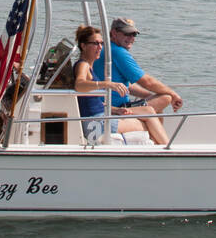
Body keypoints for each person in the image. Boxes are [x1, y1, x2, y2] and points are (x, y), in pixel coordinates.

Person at [91, 17, 180, 145]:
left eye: (134, 34)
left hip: (109, 105)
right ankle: (161, 144)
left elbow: (127, 85)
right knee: (165, 98)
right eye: (127, 34)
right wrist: (173, 94)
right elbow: (146, 81)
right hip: (116, 109)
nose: (131, 38)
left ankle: (155, 142)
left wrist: (148, 96)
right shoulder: (118, 52)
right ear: (114, 33)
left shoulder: (105, 48)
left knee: (158, 101)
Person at [71, 25, 152, 143]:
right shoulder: (83, 65)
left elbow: (95, 101)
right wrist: (107, 84)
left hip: (100, 117)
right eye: (95, 43)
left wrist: (115, 110)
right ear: (83, 46)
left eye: (101, 43)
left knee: (149, 112)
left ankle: (165, 147)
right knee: (146, 126)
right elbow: (79, 84)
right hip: (96, 122)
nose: (100, 47)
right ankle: (166, 149)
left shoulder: (90, 66)